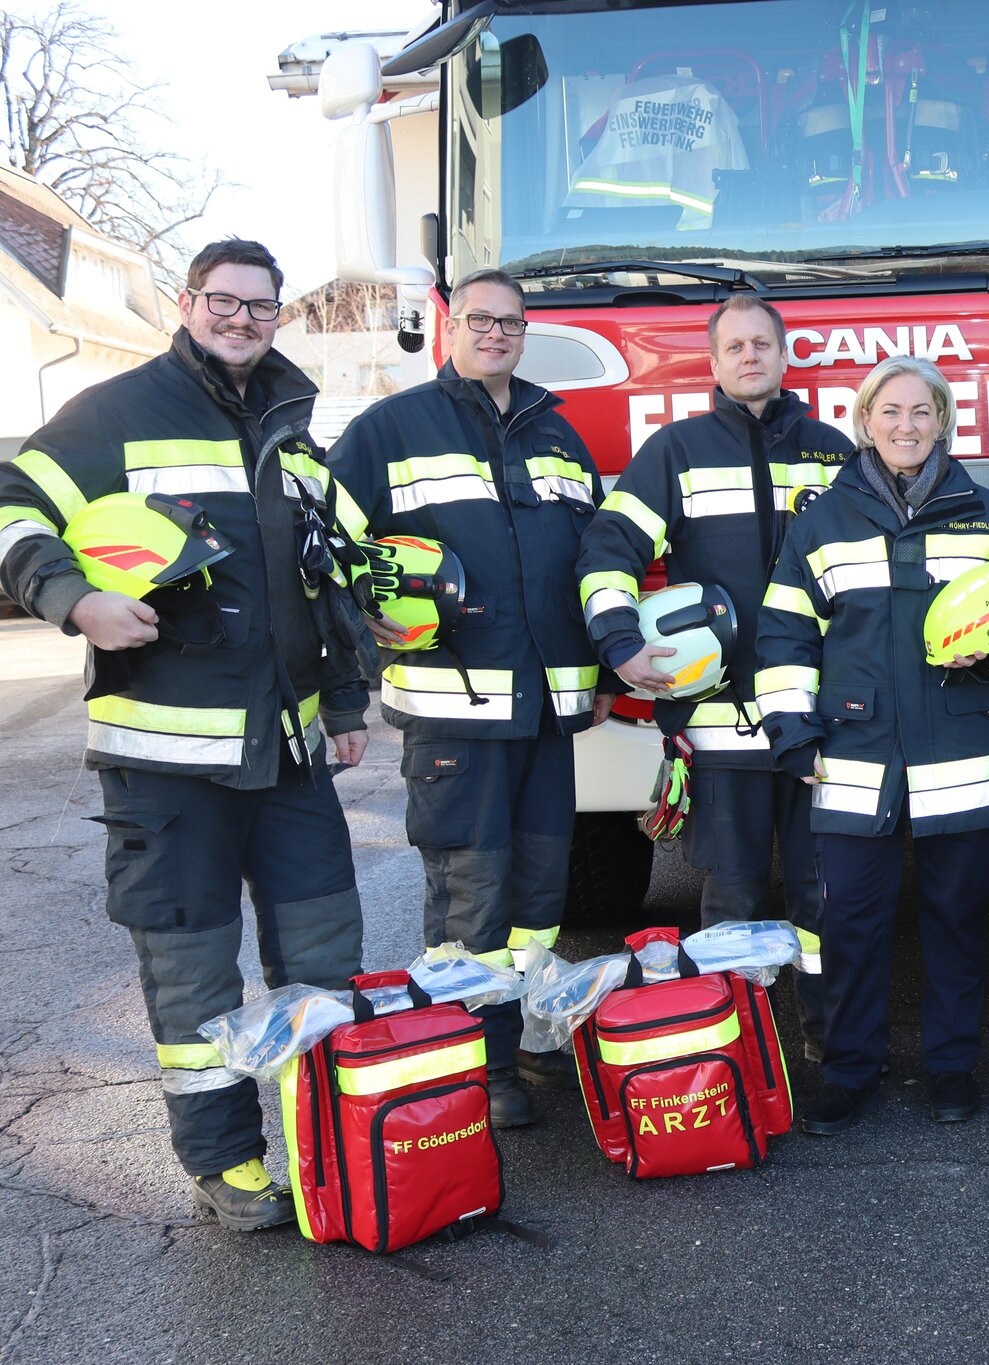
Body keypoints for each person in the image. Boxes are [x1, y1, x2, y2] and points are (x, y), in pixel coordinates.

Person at [0, 239, 368, 1230]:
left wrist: (343, 703)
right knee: (193, 975)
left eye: (260, 305)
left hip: (288, 754)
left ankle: (333, 1147)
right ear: (185, 301)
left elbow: (327, 575)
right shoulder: (118, 412)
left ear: (279, 315)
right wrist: (73, 599)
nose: (241, 318)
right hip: (163, 765)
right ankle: (226, 1165)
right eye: (223, 300)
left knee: (325, 958)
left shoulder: (290, 425)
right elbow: (11, 505)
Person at [329, 269, 617, 1128]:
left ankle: (526, 1039)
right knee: (471, 899)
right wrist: (363, 622)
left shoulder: (557, 433)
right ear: (450, 326)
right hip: (453, 714)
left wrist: (602, 675)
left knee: (538, 898)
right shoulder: (390, 428)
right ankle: (477, 1065)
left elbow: (593, 562)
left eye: (512, 322)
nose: (497, 334)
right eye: (481, 319)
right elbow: (326, 548)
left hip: (547, 713)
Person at [755, 356, 989, 1134]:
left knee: (956, 915)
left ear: (943, 421)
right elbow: (784, 633)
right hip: (853, 755)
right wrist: (792, 732)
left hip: (963, 755)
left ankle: (952, 1067)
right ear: (866, 421)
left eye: (921, 411)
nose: (906, 425)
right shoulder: (822, 520)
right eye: (890, 411)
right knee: (851, 920)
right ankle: (849, 1070)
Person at [576, 295, 855, 1060]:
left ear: (785, 355)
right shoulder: (677, 451)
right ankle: (732, 1056)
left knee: (825, 896)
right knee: (732, 900)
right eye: (735, 346)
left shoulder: (834, 453)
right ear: (714, 360)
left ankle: (832, 1049)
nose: (750, 356)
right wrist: (618, 643)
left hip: (819, 721)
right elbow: (608, 547)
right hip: (720, 727)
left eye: (762, 343)